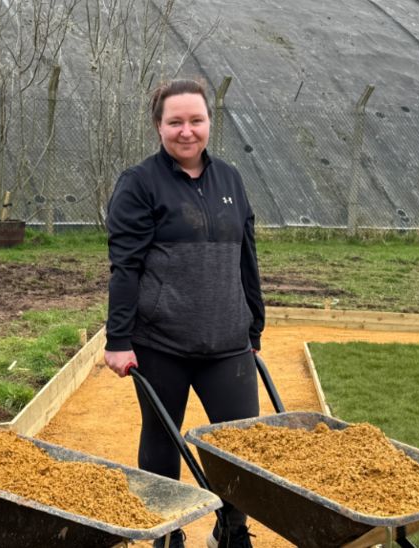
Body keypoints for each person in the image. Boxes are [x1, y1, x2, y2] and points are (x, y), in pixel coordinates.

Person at [104, 79, 264, 548]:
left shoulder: (230, 179)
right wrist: (118, 339)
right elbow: (125, 265)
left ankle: (231, 530)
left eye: (196, 120)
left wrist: (254, 323)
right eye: (175, 122)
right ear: (159, 126)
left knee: (239, 447)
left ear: (209, 123)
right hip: (162, 343)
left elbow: (247, 257)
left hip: (228, 343)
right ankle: (167, 532)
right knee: (162, 440)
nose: (187, 131)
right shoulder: (139, 184)